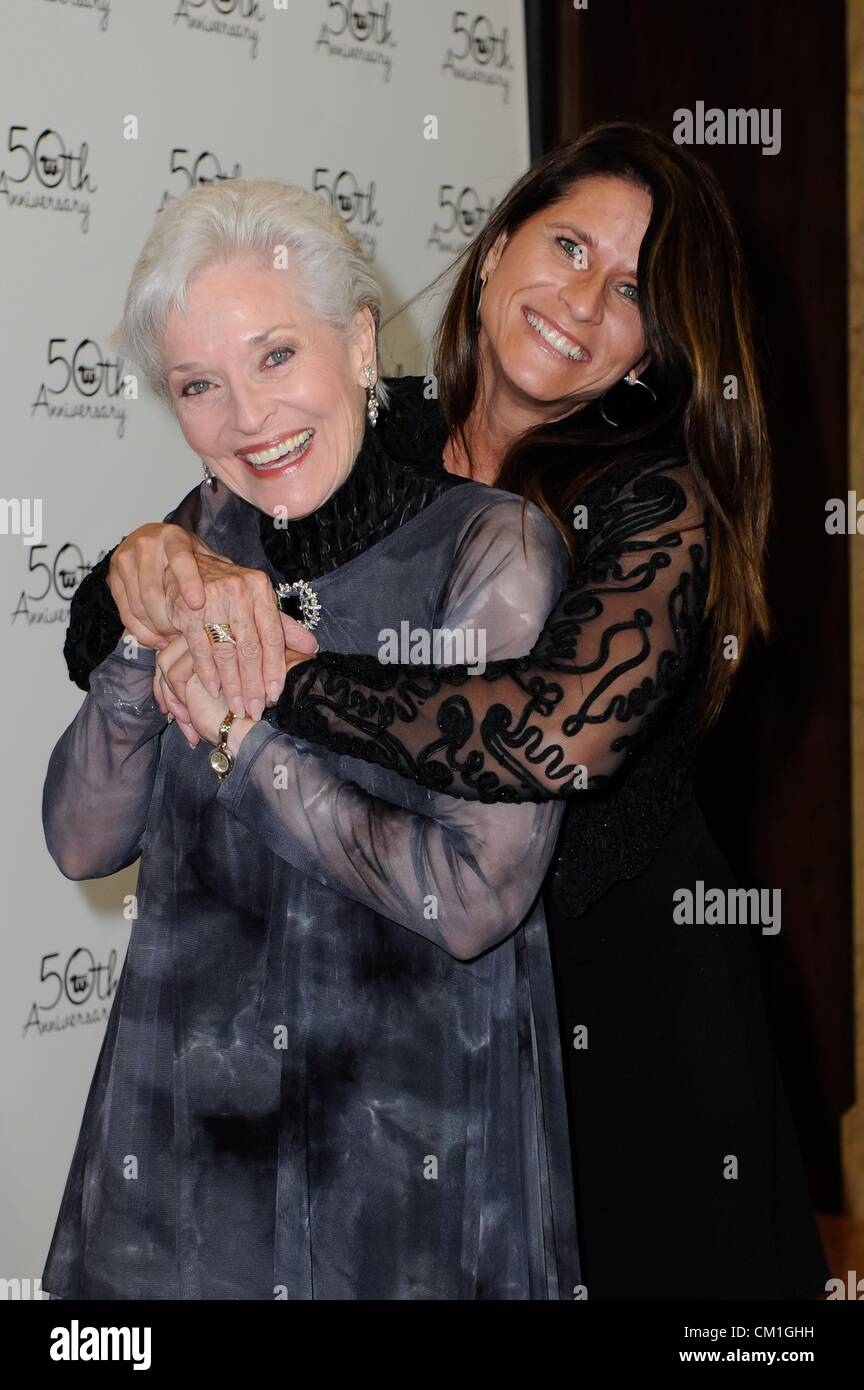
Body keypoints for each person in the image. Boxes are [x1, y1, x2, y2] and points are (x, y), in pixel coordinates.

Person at [62, 125, 830, 1299]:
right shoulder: (372, 423)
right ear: (496, 248)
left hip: (625, 1012)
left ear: (657, 342)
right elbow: (120, 610)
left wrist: (262, 676)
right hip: (428, 1022)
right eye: (567, 244)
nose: (580, 296)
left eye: (629, 289)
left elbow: (537, 730)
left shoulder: (651, 496)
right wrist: (156, 566)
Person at [41, 179, 581, 1300]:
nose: (247, 419)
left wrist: (247, 743)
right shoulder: (199, 537)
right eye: (200, 384)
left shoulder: (491, 553)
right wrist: (141, 638)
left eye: (277, 356)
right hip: (183, 1162)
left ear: (359, 341)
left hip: (404, 1162)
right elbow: (81, 839)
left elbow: (472, 900)